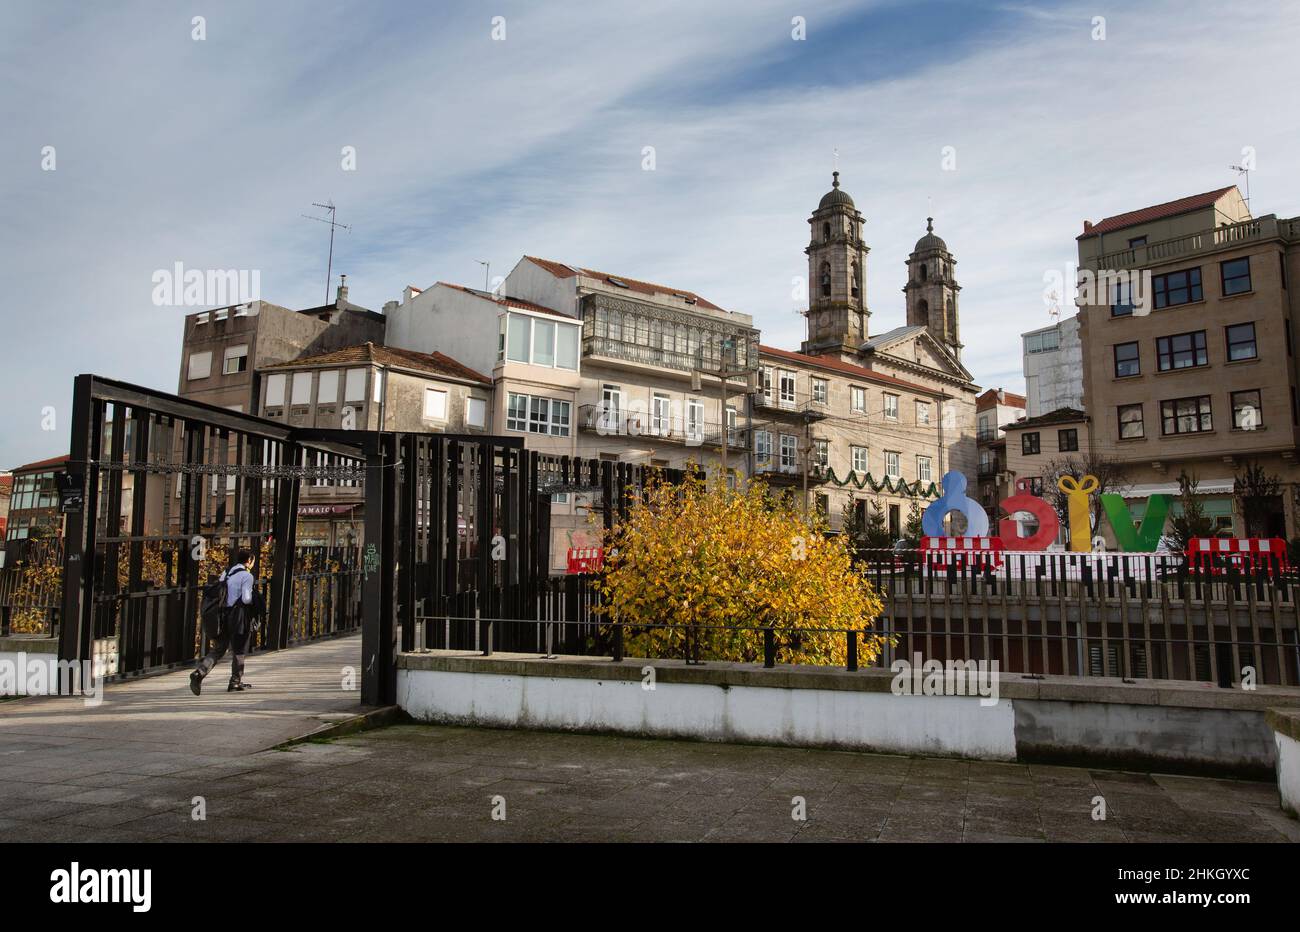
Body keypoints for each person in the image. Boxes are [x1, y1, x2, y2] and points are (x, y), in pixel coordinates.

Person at [190, 548, 259, 695]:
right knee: (239, 649)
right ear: (249, 561)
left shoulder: (227, 572)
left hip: (222, 615)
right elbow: (247, 599)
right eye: (253, 561)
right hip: (238, 616)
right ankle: (235, 682)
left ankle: (199, 673)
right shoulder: (247, 576)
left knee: (219, 648)